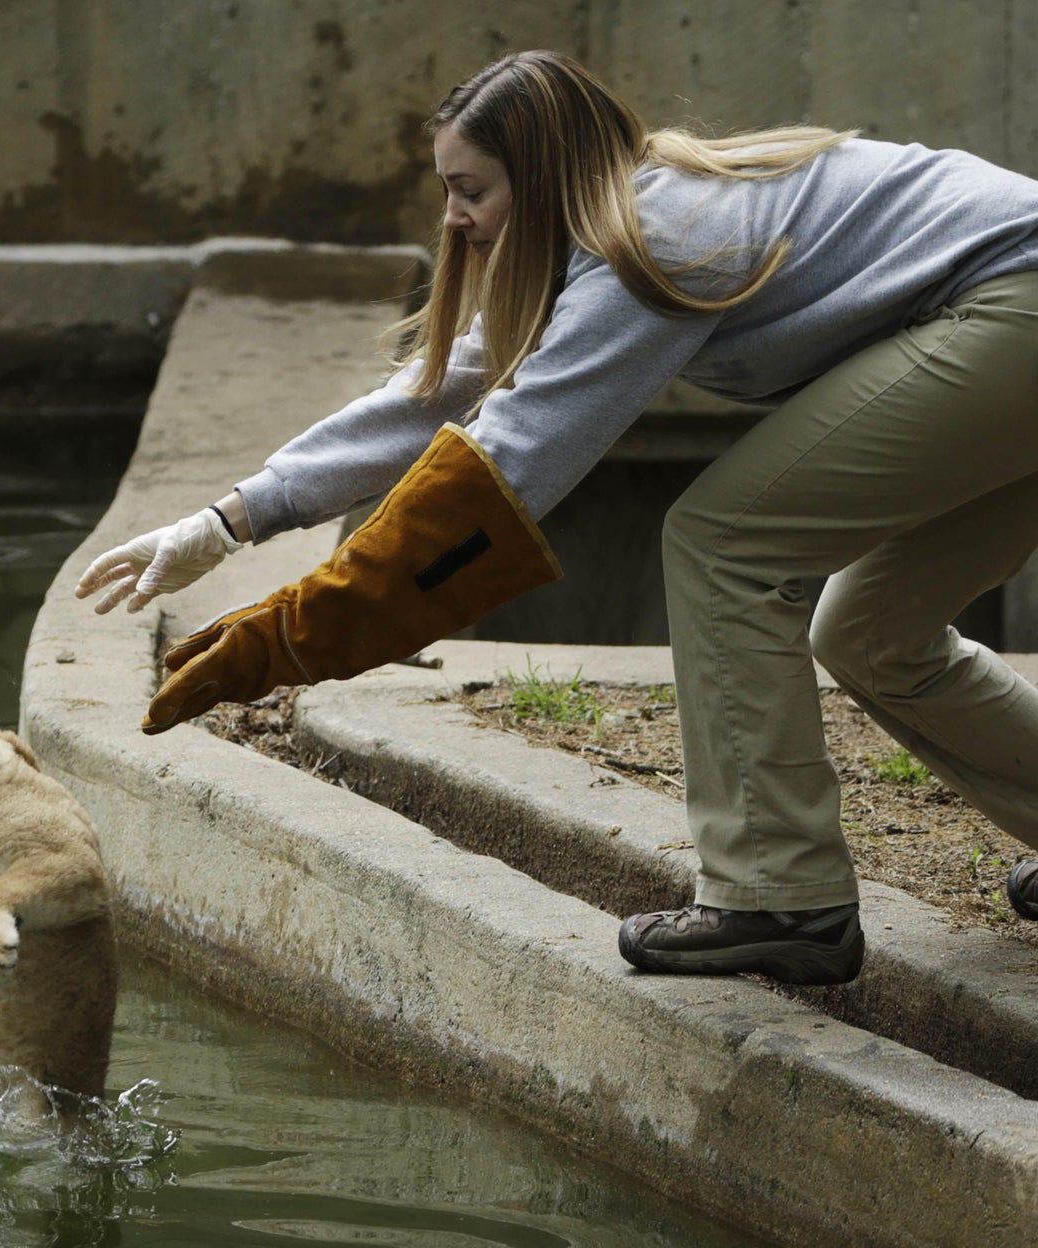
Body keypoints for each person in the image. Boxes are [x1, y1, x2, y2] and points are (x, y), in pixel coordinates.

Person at [74, 50, 1038, 985]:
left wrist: (294, 634)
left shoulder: (655, 240)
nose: (452, 219)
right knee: (869, 629)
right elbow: (437, 392)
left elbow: (510, 466)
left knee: (725, 546)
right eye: (446, 189)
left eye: (472, 190)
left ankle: (781, 898)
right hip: (1006, 313)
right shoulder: (617, 218)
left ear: (541, 177)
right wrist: (226, 520)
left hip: (1013, 306)